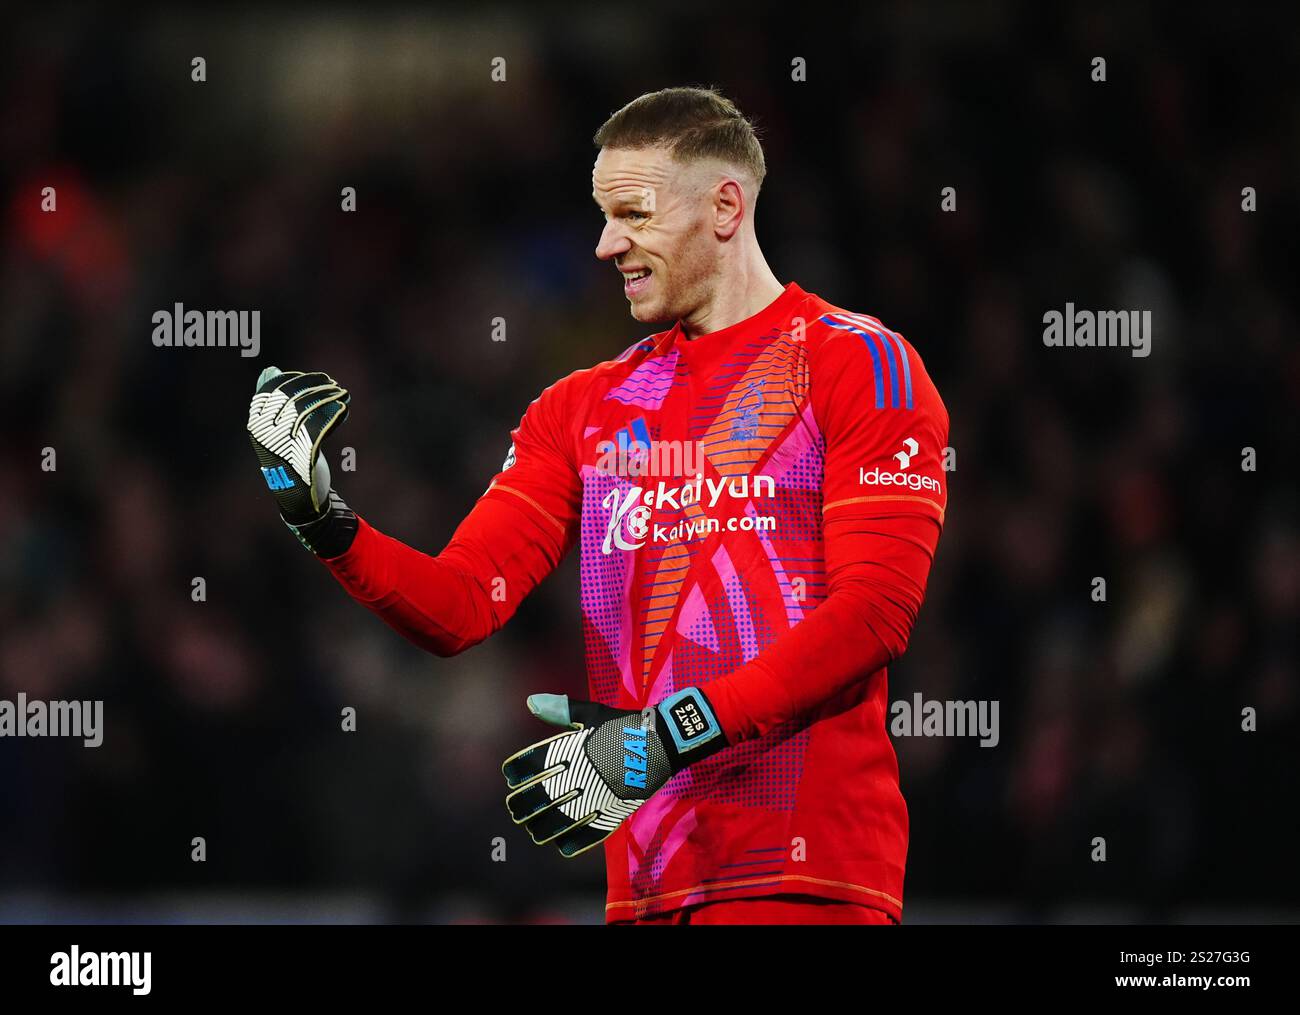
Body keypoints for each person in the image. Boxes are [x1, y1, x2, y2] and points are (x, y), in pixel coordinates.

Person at [247, 86, 949, 926]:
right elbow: (460, 603)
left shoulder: (861, 365)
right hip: (645, 891)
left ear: (725, 206)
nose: (606, 243)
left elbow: (873, 614)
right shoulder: (581, 407)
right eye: (603, 214)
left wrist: (663, 735)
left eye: (633, 213)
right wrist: (326, 522)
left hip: (804, 883)